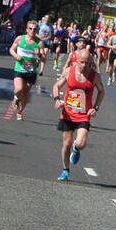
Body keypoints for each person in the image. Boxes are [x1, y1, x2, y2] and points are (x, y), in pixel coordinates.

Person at [51, 36, 104, 181]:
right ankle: (65, 170)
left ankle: (77, 148)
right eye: (82, 62)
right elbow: (56, 86)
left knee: (80, 143)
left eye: (87, 63)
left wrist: (96, 108)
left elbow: (101, 91)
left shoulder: (94, 76)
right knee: (66, 144)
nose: (84, 65)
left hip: (83, 115)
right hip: (68, 113)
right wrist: (57, 100)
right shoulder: (69, 71)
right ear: (76, 60)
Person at [9, 19, 42, 120]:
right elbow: (11, 49)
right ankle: (15, 98)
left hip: (31, 71)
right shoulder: (20, 39)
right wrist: (16, 56)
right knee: (19, 89)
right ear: (27, 29)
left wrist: (38, 55)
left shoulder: (39, 43)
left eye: (35, 29)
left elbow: (41, 59)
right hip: (19, 69)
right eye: (30, 28)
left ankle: (20, 112)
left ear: (37, 31)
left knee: (25, 93)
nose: (32, 31)